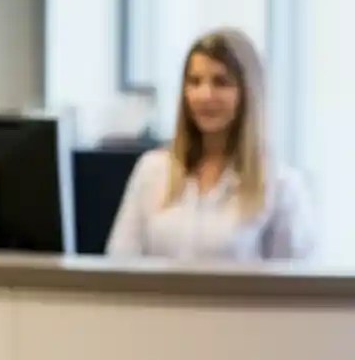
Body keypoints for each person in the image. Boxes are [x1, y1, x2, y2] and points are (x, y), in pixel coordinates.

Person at [105, 28, 314, 261]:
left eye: (221, 82)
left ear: (248, 93)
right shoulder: (152, 170)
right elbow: (119, 263)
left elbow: (292, 278)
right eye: (194, 82)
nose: (204, 95)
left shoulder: (281, 187)